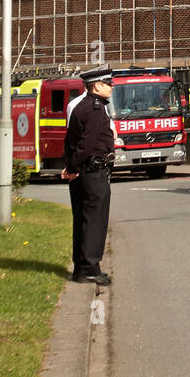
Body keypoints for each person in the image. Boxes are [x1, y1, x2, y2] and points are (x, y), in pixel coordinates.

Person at [61, 65, 118, 286]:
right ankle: (90, 268)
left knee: (83, 220)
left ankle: (81, 267)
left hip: (83, 172)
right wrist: (74, 166)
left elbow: (70, 140)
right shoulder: (95, 110)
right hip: (93, 173)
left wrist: (70, 165)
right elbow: (86, 144)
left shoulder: (80, 106)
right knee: (95, 221)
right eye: (108, 84)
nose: (112, 87)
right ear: (97, 86)